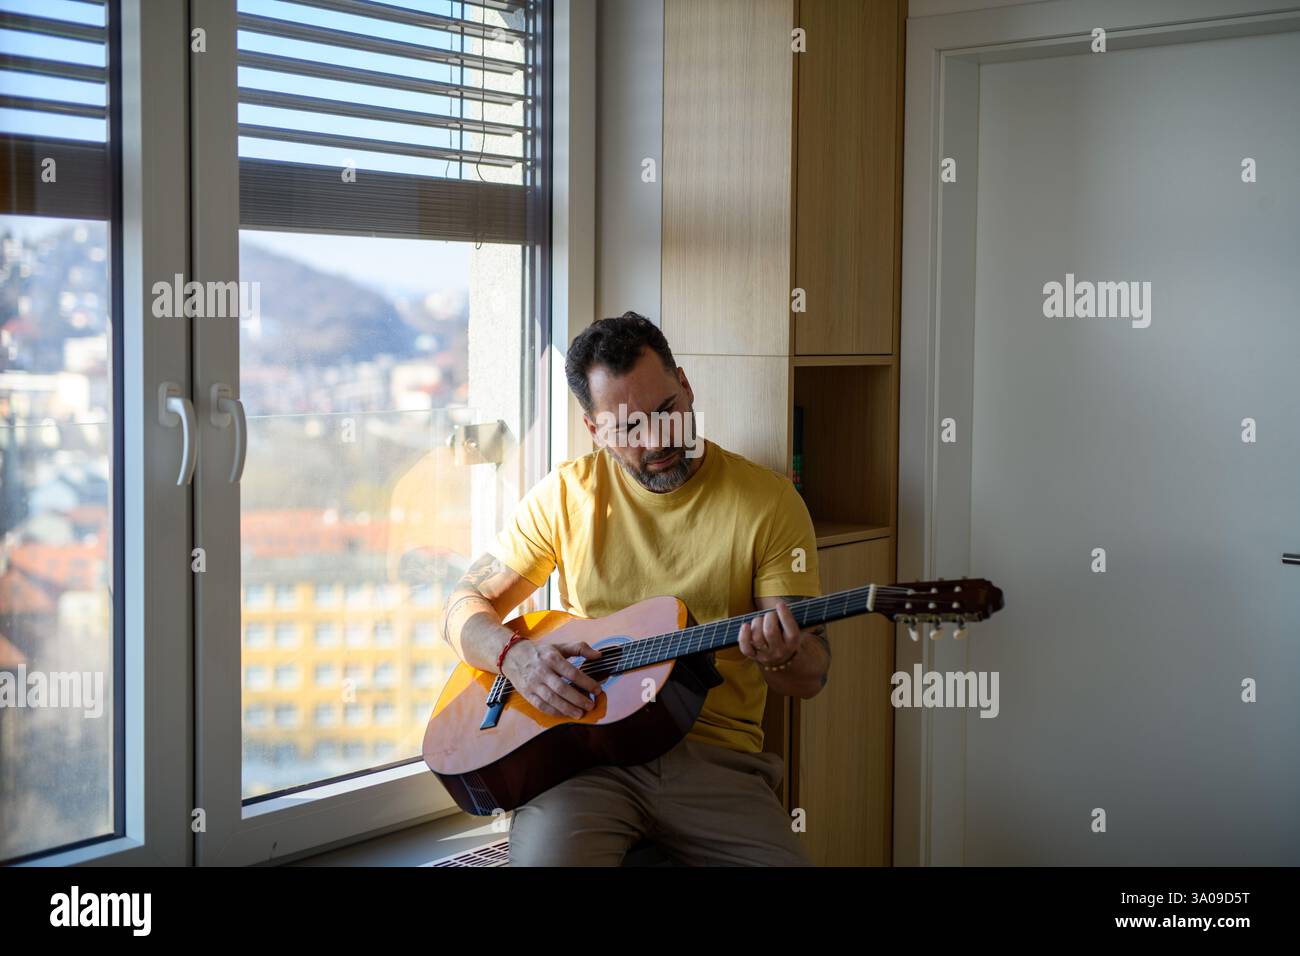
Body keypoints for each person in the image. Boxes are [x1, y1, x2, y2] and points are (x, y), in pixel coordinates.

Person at [441, 312, 830, 866]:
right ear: (595, 430)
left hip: (716, 761)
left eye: (666, 411)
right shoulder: (567, 494)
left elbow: (811, 676)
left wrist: (784, 654)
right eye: (627, 428)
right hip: (585, 759)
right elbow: (460, 607)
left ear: (686, 386)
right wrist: (515, 657)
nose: (657, 440)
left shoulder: (768, 503)